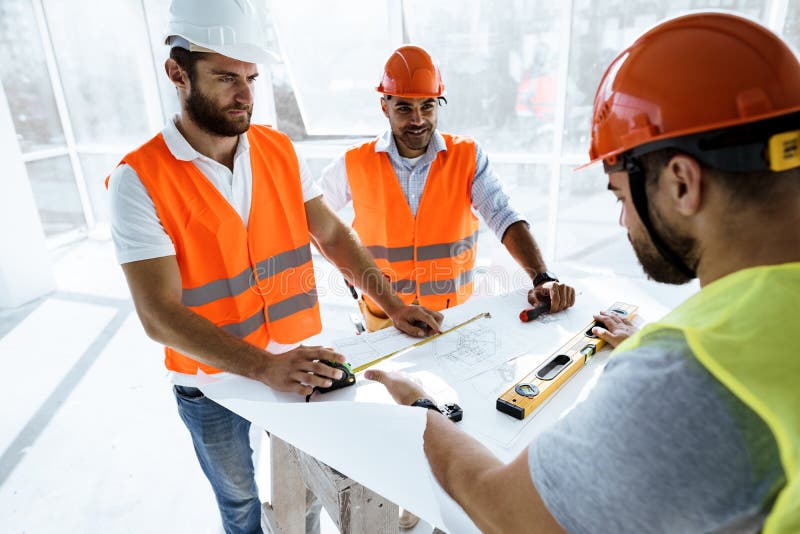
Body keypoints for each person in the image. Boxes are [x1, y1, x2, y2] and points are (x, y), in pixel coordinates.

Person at [367, 12, 800, 534]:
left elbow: (504, 512)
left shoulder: (684, 377)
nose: (622, 219)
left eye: (621, 195)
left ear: (682, 183)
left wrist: (419, 404)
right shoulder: (727, 347)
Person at [106, 2, 441, 533]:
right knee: (239, 499)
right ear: (177, 73)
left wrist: (392, 302)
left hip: (293, 359)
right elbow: (158, 315)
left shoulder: (278, 150)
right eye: (225, 78)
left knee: (305, 487)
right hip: (210, 382)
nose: (244, 96)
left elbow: (330, 232)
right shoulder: (138, 180)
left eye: (251, 78)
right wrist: (262, 368)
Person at [318, 45, 575, 334]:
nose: (417, 119)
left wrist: (542, 276)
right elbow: (311, 219)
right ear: (384, 106)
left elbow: (503, 214)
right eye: (404, 107)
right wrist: (347, 268)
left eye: (427, 106)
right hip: (385, 318)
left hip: (452, 316)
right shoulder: (353, 163)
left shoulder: (467, 156)